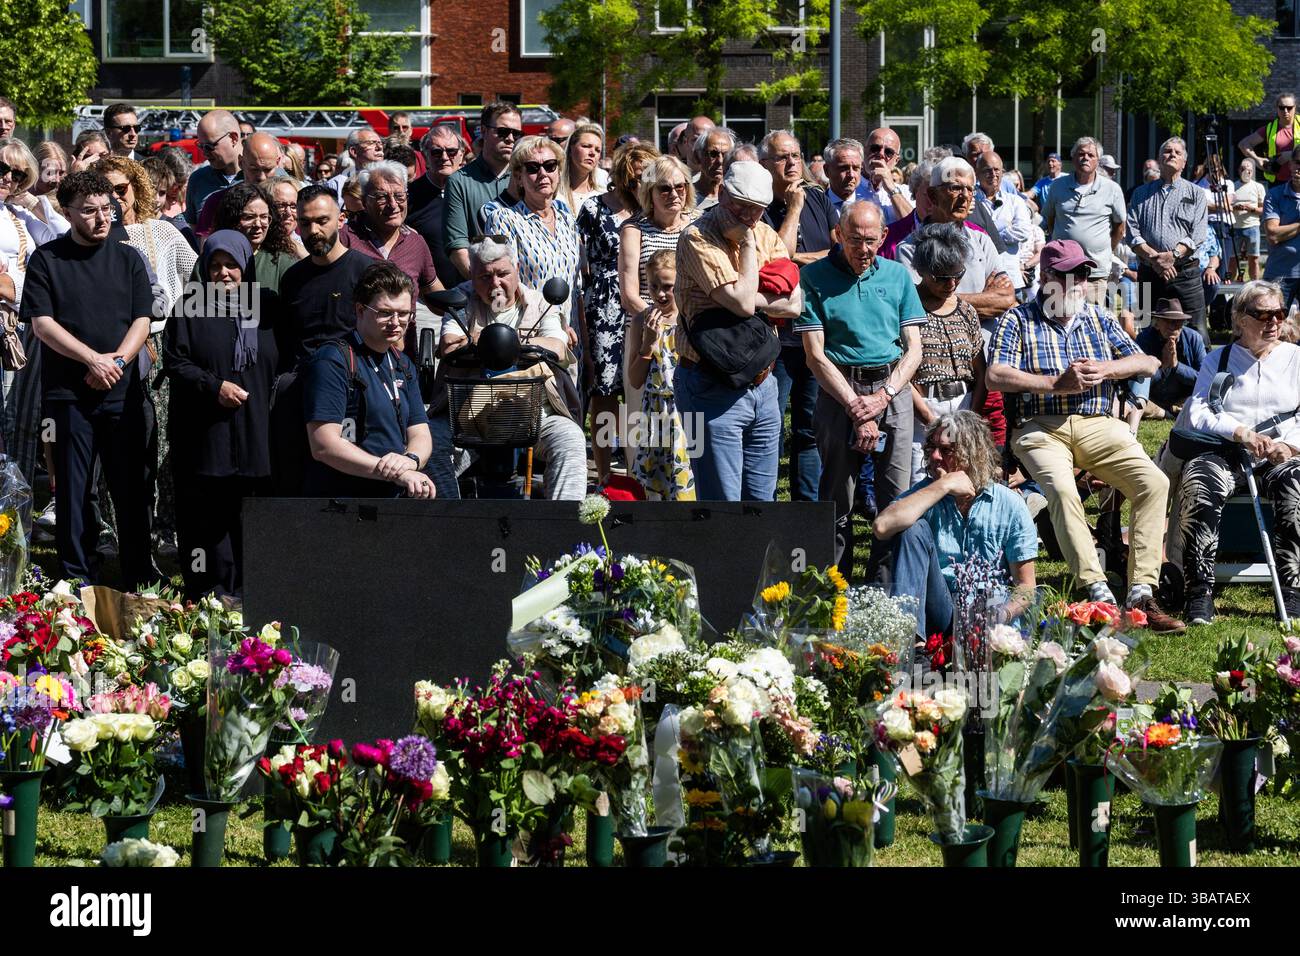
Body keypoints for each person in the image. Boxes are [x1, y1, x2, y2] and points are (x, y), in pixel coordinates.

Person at [987, 238, 1184, 629]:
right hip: (1041, 426)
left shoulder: (1098, 317)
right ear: (1045, 278)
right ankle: (1096, 589)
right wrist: (1054, 383)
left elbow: (1147, 362)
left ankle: (1142, 592)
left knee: (1154, 482)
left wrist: (1108, 369)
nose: (1079, 282)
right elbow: (996, 375)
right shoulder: (1018, 318)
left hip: (1097, 423)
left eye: (1083, 274)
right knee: (1060, 489)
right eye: (1069, 276)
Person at [19, 171, 154, 588]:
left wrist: (114, 361)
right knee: (74, 491)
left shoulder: (129, 257)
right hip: (69, 395)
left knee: (130, 488)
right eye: (90, 211)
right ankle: (77, 578)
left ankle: (136, 577)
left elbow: (142, 319)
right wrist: (91, 360)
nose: (102, 218)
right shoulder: (48, 259)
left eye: (107, 209)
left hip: (122, 390)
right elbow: (42, 324)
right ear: (68, 212)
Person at [799, 200, 923, 577]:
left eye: (871, 241)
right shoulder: (814, 278)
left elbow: (914, 347)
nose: (863, 249)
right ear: (838, 235)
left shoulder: (898, 276)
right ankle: (836, 587)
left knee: (895, 498)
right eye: (854, 240)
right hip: (839, 389)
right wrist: (856, 405)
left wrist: (883, 396)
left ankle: (884, 589)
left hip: (892, 386)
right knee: (839, 497)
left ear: (884, 237)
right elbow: (815, 356)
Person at [674, 160, 802, 501]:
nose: (747, 217)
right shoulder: (697, 236)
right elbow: (744, 305)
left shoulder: (766, 231)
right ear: (723, 193)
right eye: (740, 206)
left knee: (762, 502)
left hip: (764, 383)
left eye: (756, 210)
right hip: (708, 385)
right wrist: (746, 244)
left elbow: (794, 304)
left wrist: (747, 295)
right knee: (721, 504)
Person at [1175, 280, 1300, 624]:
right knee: (1200, 481)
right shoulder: (1219, 358)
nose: (1273, 321)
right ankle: (1198, 590)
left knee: (1296, 483)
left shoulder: (1295, 358)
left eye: (1279, 312)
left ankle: (1291, 590)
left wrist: (1288, 445)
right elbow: (1199, 412)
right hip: (1228, 449)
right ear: (1241, 319)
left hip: (1282, 451)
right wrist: (1240, 432)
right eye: (1263, 314)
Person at [164, 230, 278, 598]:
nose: (224, 273)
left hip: (256, 431)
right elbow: (176, 362)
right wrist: (214, 387)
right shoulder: (188, 308)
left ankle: (251, 589)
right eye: (215, 265)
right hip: (206, 431)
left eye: (232, 264)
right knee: (206, 518)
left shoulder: (267, 306)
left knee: (248, 514)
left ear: (246, 265)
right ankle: (208, 591)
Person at [440, 237, 586, 500]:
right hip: (469, 417)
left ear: (517, 268)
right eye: (484, 277)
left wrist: (510, 342)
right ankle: (445, 524)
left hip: (535, 415)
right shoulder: (460, 300)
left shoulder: (541, 302)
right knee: (432, 445)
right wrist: (483, 341)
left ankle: (566, 526)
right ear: (471, 275)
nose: (495, 283)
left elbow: (557, 345)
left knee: (570, 439)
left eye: (503, 273)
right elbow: (449, 347)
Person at [873, 410, 1037, 642]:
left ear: (974, 454)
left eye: (947, 450)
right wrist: (944, 485)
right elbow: (882, 526)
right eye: (932, 449)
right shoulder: (927, 493)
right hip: (938, 609)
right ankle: (909, 647)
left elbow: (1026, 585)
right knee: (911, 528)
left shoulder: (1010, 504)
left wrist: (1003, 613)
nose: (936, 457)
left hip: (986, 614)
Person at [303, 262, 435, 499]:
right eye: (385, 313)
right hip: (344, 504)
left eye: (404, 314)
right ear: (360, 310)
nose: (396, 322)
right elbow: (323, 444)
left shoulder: (402, 363)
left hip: (392, 499)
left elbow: (421, 434)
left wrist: (411, 461)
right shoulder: (333, 360)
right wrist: (392, 473)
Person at [760, 129, 835, 503]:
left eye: (796, 155)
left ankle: (806, 508)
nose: (792, 163)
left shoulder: (819, 197)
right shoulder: (757, 205)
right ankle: (766, 503)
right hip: (775, 333)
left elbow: (836, 252)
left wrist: (797, 261)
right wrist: (792, 210)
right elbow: (775, 258)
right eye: (782, 157)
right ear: (764, 165)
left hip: (813, 328)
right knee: (770, 425)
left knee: (808, 426)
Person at [578, 141, 656, 481]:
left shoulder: (655, 212)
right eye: (636, 177)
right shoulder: (595, 209)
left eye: (648, 176)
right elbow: (580, 264)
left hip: (647, 302)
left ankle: (638, 466)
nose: (641, 183)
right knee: (606, 391)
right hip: (606, 309)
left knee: (642, 388)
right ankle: (605, 471)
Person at [907, 223, 987, 482]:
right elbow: (900, 371)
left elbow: (980, 369)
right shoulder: (907, 309)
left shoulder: (966, 311)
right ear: (922, 271)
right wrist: (930, 419)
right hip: (922, 409)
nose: (951, 284)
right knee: (921, 484)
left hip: (964, 405)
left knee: (964, 482)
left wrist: (970, 417)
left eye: (958, 275)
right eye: (941, 277)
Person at [897, 157, 1016, 322]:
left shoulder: (982, 240)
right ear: (933, 195)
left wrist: (941, 299)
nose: (965, 196)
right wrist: (984, 297)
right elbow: (916, 305)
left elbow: (1006, 299)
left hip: (985, 345)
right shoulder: (909, 248)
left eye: (970, 189)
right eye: (956, 188)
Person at [483, 135, 582, 328]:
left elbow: (576, 289)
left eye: (550, 165)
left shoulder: (567, 220)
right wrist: (552, 324)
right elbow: (502, 285)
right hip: (530, 332)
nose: (543, 173)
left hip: (571, 334)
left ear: (559, 172)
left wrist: (585, 348)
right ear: (519, 177)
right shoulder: (504, 219)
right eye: (533, 168)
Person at [340, 160, 444, 344]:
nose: (393, 205)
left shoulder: (415, 242)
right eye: (381, 197)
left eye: (399, 196)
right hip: (356, 354)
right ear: (364, 201)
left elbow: (435, 294)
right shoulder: (346, 239)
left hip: (403, 358)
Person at [624, 247, 695, 499]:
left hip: (685, 410)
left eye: (667, 286)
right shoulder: (642, 321)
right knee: (655, 487)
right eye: (654, 287)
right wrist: (647, 345)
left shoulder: (689, 318)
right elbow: (634, 380)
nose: (660, 294)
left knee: (686, 480)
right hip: (654, 413)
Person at [98, 157, 197, 318]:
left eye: (120, 189)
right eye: (105, 191)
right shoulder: (95, 236)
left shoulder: (162, 230)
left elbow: (198, 276)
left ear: (135, 187)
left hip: (164, 333)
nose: (114, 196)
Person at [1128, 136, 1208, 326]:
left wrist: (1173, 256)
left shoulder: (1196, 193)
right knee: (1147, 330)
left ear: (1184, 162)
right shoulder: (1140, 193)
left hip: (1185, 275)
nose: (1172, 154)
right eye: (1167, 151)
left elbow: (1198, 234)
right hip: (1149, 273)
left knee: (1197, 331)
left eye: (1177, 152)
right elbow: (1132, 233)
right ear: (1159, 159)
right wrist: (1155, 259)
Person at [1041, 137, 1127, 306]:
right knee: (1058, 315)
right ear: (1073, 158)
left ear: (1098, 161)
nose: (1085, 158)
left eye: (1090, 155)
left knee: (1091, 321)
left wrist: (1106, 249)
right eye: (1081, 154)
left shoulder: (1112, 189)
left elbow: (1120, 226)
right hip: (1061, 269)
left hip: (1094, 271)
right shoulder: (1057, 186)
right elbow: (1050, 219)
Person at [444, 102, 522, 279]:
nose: (510, 138)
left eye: (516, 133)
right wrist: (484, 286)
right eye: (503, 131)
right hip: (480, 287)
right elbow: (457, 246)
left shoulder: (527, 176)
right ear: (484, 131)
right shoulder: (459, 181)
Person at [212, 182, 304, 296]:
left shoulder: (282, 263)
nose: (258, 224)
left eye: (264, 217)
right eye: (249, 217)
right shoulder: (211, 258)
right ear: (232, 219)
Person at [195, 132, 285, 240]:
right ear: (241, 162)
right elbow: (207, 250)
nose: (261, 177)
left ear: (278, 162)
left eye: (267, 170)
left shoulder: (289, 203)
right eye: (254, 169)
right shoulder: (217, 202)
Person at [406, 125, 464, 290]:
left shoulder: (473, 190)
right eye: (436, 152)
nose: (445, 157)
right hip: (426, 299)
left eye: (451, 151)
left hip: (473, 293)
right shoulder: (408, 196)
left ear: (462, 154)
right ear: (425, 155)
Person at [1129, 297, 1207, 418]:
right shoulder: (1144, 339)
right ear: (1157, 323)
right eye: (1167, 321)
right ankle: (1167, 414)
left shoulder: (1194, 339)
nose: (1172, 326)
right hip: (1153, 399)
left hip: (1185, 397)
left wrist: (1176, 366)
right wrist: (1162, 367)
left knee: (1204, 398)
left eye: (1177, 322)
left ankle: (1175, 411)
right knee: (1134, 401)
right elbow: (1138, 381)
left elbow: (1204, 378)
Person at [974, 151, 1032, 290]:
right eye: (987, 170)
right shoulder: (970, 202)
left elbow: (1023, 231)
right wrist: (1004, 226)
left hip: (1011, 278)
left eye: (997, 170)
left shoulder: (1015, 201)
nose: (993, 174)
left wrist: (988, 233)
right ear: (977, 173)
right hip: (981, 281)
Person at [186, 110, 243, 226]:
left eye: (209, 146)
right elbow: (193, 229)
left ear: (233, 138)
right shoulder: (198, 179)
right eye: (200, 146)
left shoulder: (263, 174)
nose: (204, 153)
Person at [1263, 147, 1300, 311]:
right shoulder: (1274, 194)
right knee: (1271, 322)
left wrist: (1288, 230)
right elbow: (1273, 234)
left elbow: (1279, 232)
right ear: (1291, 164)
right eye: (1298, 163)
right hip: (1280, 271)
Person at [1238, 92, 1300, 188]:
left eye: (1289, 108)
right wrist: (1257, 159)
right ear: (1277, 108)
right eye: (1282, 108)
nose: (1286, 111)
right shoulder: (1269, 129)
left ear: (1295, 107)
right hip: (1277, 183)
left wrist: (1290, 154)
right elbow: (1243, 144)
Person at [862, 128, 915, 224]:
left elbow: (913, 227)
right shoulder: (849, 189)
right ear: (864, 151)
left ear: (896, 160)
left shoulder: (906, 192)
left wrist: (892, 190)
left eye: (888, 152)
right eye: (875, 148)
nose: (881, 154)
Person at [324, 127, 385, 203]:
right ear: (354, 152)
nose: (379, 147)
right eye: (371, 143)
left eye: (380, 143)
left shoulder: (392, 179)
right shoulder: (337, 185)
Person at [1232, 159, 1266, 281]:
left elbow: (1263, 210)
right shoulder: (1233, 186)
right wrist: (1235, 207)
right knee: (1233, 258)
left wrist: (1251, 209)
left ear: (1252, 172)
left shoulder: (1258, 187)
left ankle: (1255, 284)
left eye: (1249, 170)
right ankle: (1229, 286)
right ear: (1238, 170)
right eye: (1243, 169)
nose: (1246, 172)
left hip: (1252, 227)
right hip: (1235, 227)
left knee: (1254, 258)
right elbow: (1226, 207)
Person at [564, 123, 606, 210]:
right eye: (586, 146)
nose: (592, 153)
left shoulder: (603, 196)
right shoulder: (553, 194)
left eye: (598, 150)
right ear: (571, 149)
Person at [693, 127, 736, 211]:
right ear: (697, 156)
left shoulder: (735, 196)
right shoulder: (685, 195)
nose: (720, 161)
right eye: (713, 154)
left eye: (726, 155)